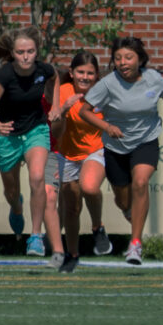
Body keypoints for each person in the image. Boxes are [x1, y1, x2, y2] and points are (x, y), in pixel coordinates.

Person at [87, 38, 163, 266]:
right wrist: (107, 127)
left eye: (128, 57)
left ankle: (135, 244)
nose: (122, 62)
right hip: (115, 146)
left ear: (140, 59)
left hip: (146, 141)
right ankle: (129, 211)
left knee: (141, 182)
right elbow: (85, 111)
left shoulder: (154, 78)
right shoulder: (108, 84)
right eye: (118, 58)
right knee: (123, 202)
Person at [0, 29, 57, 259]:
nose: (26, 56)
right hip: (8, 133)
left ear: (37, 52)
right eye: (21, 52)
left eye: (30, 51)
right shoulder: (6, 74)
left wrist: (54, 104)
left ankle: (35, 236)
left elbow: (55, 77)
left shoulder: (44, 70)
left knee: (37, 177)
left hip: (36, 129)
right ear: (13, 53)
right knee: (11, 191)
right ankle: (16, 207)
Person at [45, 51, 121, 274]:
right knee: (71, 209)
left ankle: (98, 227)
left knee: (89, 187)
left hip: (96, 150)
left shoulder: (104, 94)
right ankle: (72, 255)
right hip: (67, 155)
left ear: (97, 75)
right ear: (71, 72)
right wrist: (64, 109)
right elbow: (56, 133)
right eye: (80, 72)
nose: (85, 77)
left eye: (90, 73)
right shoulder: (63, 92)